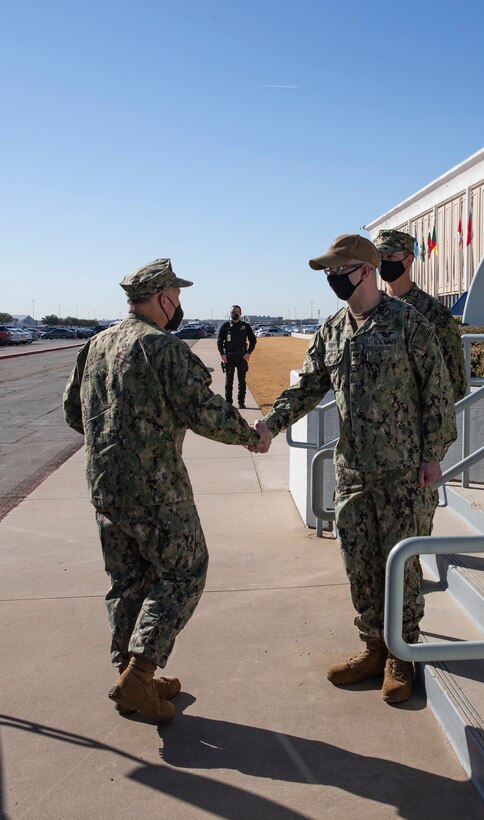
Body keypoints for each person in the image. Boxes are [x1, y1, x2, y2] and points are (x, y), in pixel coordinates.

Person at [254, 234, 456, 705]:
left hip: (405, 474)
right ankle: (372, 646)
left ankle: (401, 656)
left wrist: (433, 456)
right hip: (354, 471)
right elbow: (307, 386)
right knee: (359, 564)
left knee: (401, 568)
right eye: (328, 273)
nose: (332, 280)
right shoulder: (333, 330)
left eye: (338, 271)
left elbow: (438, 394)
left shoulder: (409, 324)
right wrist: (271, 423)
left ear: (365, 270)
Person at [63, 259, 267, 723]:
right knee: (184, 572)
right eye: (176, 295)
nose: (178, 305)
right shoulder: (161, 348)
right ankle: (139, 674)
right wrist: (251, 436)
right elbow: (205, 412)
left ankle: (130, 676)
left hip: (105, 488)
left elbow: (74, 415)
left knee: (127, 581)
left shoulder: (97, 344)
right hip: (156, 491)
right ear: (163, 298)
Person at [374, 228, 468, 403]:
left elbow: (456, 380)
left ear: (409, 260)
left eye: (391, 257)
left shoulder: (434, 313)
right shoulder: (373, 310)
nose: (384, 263)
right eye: (381, 257)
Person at [217, 304, 257, 408]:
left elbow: (253, 340)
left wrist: (249, 352)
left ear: (240, 313)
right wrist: (222, 354)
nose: (235, 314)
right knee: (228, 382)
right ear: (230, 313)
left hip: (241, 357)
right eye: (233, 312)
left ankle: (241, 402)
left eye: (237, 312)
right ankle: (229, 403)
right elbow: (219, 341)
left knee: (241, 381)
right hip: (229, 357)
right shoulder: (225, 326)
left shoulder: (245, 326)